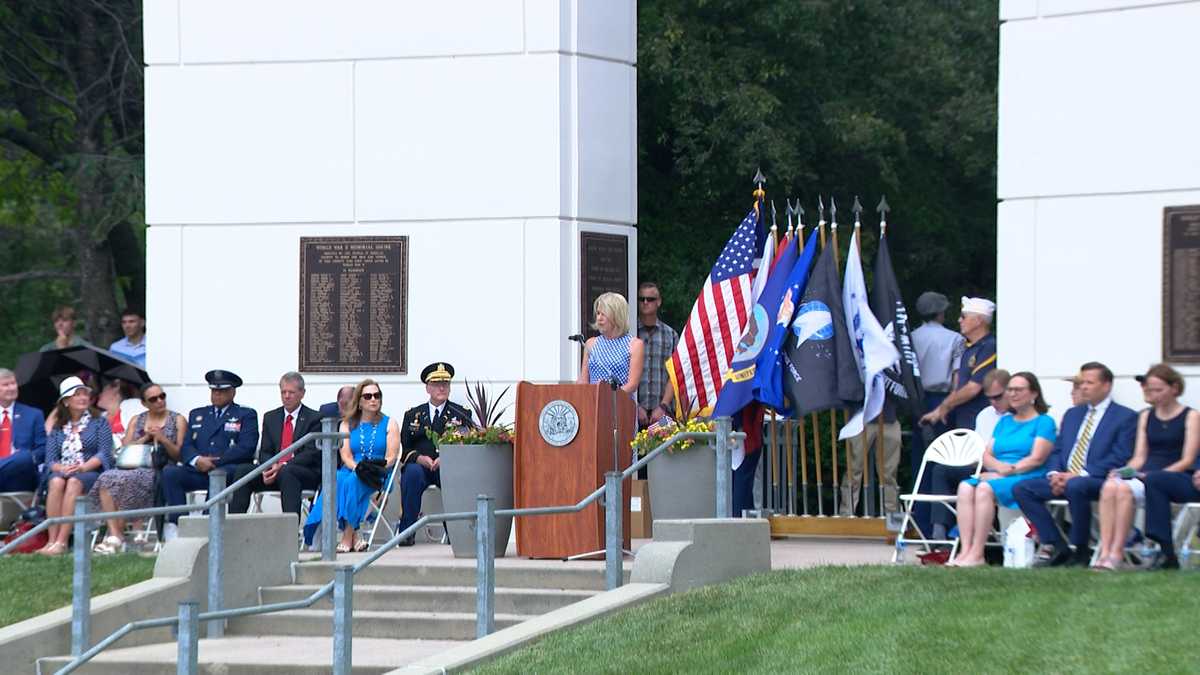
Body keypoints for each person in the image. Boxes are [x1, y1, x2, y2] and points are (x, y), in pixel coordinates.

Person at [1013, 362, 1137, 567]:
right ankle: (1057, 544)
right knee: (1023, 489)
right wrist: (1054, 473)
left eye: (1089, 383)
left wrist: (1079, 474)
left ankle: (1081, 549)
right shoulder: (1073, 414)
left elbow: (1120, 456)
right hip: (1065, 478)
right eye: (1081, 383)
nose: (1083, 387)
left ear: (1106, 386)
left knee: (1076, 485)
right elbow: (1058, 450)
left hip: (1098, 479)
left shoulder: (1125, 417)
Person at [1094, 364, 1199, 570]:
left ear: (1174, 388)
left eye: (1158, 390)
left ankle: (1124, 552)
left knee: (1150, 481)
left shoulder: (1190, 416)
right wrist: (1124, 471)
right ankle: (1107, 552)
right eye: (1149, 390)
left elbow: (1187, 459)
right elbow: (1139, 457)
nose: (1153, 394)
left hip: (1177, 476)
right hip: (1146, 474)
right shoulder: (1145, 416)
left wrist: (1151, 475)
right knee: (1113, 485)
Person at [948, 372, 1055, 567]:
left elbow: (1037, 458)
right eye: (1010, 390)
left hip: (1026, 474)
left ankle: (978, 553)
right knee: (965, 487)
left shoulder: (1044, 422)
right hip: (999, 473)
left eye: (1019, 390)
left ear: (1033, 394)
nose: (1012, 394)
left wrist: (1007, 471)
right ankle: (965, 551)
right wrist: (997, 468)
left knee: (983, 489)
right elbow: (986, 453)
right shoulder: (1005, 421)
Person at [160, 369, 259, 541]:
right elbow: (187, 446)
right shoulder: (198, 414)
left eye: (222, 391)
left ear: (232, 392)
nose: (217, 395)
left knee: (218, 475)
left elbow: (246, 447)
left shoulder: (245, 414)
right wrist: (197, 460)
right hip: (199, 469)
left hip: (226, 470)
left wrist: (216, 461)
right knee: (170, 473)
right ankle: (179, 524)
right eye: (214, 391)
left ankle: (206, 527)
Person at [304, 379, 401, 552]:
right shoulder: (346, 424)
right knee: (337, 478)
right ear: (360, 401)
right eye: (368, 396)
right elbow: (346, 455)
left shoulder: (390, 423)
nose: (373, 400)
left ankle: (348, 536)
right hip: (353, 468)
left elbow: (391, 456)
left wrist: (371, 469)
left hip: (378, 473)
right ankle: (357, 536)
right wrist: (358, 468)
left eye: (377, 396)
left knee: (351, 482)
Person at [91, 383, 186, 554]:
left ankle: (115, 539)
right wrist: (147, 437)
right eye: (153, 399)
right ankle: (115, 534)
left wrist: (162, 438)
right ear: (144, 403)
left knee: (126, 481)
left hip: (160, 468)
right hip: (132, 465)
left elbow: (180, 455)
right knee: (106, 479)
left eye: (162, 396)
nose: (160, 401)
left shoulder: (177, 419)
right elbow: (125, 448)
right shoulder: (137, 420)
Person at [396, 363, 473, 546]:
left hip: (446, 467)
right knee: (412, 474)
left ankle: (455, 532)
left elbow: (467, 444)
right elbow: (403, 448)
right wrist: (418, 458)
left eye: (445, 383)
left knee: (453, 475)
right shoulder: (413, 414)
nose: (442, 388)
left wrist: (446, 458)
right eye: (437, 383)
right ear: (427, 387)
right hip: (420, 467)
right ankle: (408, 531)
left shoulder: (461, 414)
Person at [909, 291, 966, 534]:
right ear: (941, 312)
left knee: (920, 463)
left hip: (917, 401)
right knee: (945, 460)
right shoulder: (955, 339)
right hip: (943, 402)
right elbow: (957, 378)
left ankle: (920, 522)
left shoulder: (910, 337)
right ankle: (941, 525)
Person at [230, 372, 324, 518]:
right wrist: (270, 467)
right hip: (274, 472)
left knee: (288, 472)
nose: (286, 396)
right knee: (243, 471)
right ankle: (233, 527)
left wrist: (284, 465)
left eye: (291, 392)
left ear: (302, 393)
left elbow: (311, 454)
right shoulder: (271, 417)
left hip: (301, 473)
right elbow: (265, 451)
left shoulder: (315, 418)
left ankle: (290, 533)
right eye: (283, 392)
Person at [39, 377, 114, 554]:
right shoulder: (58, 427)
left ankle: (62, 542)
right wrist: (62, 469)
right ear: (65, 401)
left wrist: (82, 468)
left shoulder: (99, 422)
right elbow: (50, 460)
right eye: (76, 394)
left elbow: (104, 453)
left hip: (89, 471)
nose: (83, 398)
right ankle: (51, 540)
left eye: (85, 394)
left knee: (73, 482)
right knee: (56, 482)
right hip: (63, 471)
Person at [919, 296, 995, 431]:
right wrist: (939, 410)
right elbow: (958, 385)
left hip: (979, 420)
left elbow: (972, 388)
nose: (959, 320)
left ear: (978, 321)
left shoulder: (989, 347)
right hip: (964, 418)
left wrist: (945, 405)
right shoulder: (969, 347)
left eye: (963, 316)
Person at [839, 399, 901, 516]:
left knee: (889, 473)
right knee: (853, 470)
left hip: (889, 417)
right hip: (859, 419)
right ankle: (847, 515)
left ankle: (891, 516)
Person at [577, 292, 645, 396]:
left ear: (617, 315)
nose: (599, 318)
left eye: (604, 314)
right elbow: (584, 380)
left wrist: (607, 397)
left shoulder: (635, 345)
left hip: (619, 405)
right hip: (592, 403)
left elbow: (632, 385)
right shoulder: (591, 343)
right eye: (598, 313)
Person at [634, 282, 678, 428]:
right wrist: (635, 406)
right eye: (641, 299)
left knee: (665, 450)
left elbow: (675, 373)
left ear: (658, 302)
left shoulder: (671, 335)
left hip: (663, 413)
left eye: (650, 299)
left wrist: (663, 406)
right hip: (633, 412)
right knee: (631, 450)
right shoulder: (631, 333)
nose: (645, 302)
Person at [0, 368, 47, 493]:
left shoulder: (33, 414)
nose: (11, 388)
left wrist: (26, 459)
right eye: (6, 385)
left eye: (13, 383)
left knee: (24, 456)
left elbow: (43, 449)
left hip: (21, 474)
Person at [974, 369, 1012, 441]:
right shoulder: (984, 415)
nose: (993, 402)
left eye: (998, 397)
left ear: (1010, 390)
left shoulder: (1023, 415)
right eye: (989, 398)